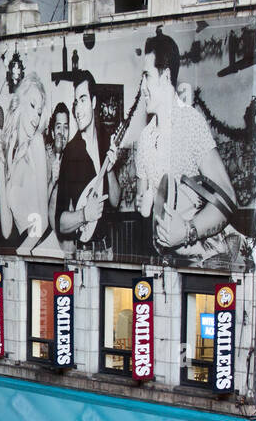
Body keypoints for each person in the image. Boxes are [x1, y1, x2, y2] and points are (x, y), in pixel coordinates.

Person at [132, 28, 240, 265]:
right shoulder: (145, 139)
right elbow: (145, 204)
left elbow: (228, 197)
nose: (142, 87)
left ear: (165, 75)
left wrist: (189, 230)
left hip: (203, 265)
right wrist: (144, 202)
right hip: (165, 265)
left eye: (147, 76)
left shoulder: (190, 122)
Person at [55, 69, 120, 256]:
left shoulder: (106, 141)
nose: (77, 109)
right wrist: (84, 215)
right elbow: (61, 223)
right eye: (76, 102)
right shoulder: (71, 152)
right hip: (84, 254)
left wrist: (110, 169)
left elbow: (115, 201)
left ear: (93, 102)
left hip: (108, 250)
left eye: (83, 100)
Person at [0, 71, 58, 256]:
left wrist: (20, 253)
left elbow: (43, 222)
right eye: (32, 105)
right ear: (20, 103)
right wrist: (0, 166)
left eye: (39, 111)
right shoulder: (11, 150)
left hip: (44, 248)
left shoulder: (36, 142)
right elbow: (6, 229)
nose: (36, 117)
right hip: (27, 250)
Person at [45, 101, 71, 224]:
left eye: (66, 127)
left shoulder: (72, 158)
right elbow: (37, 205)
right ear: (52, 132)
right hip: (48, 235)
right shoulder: (45, 158)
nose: (62, 132)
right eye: (58, 127)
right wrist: (52, 182)